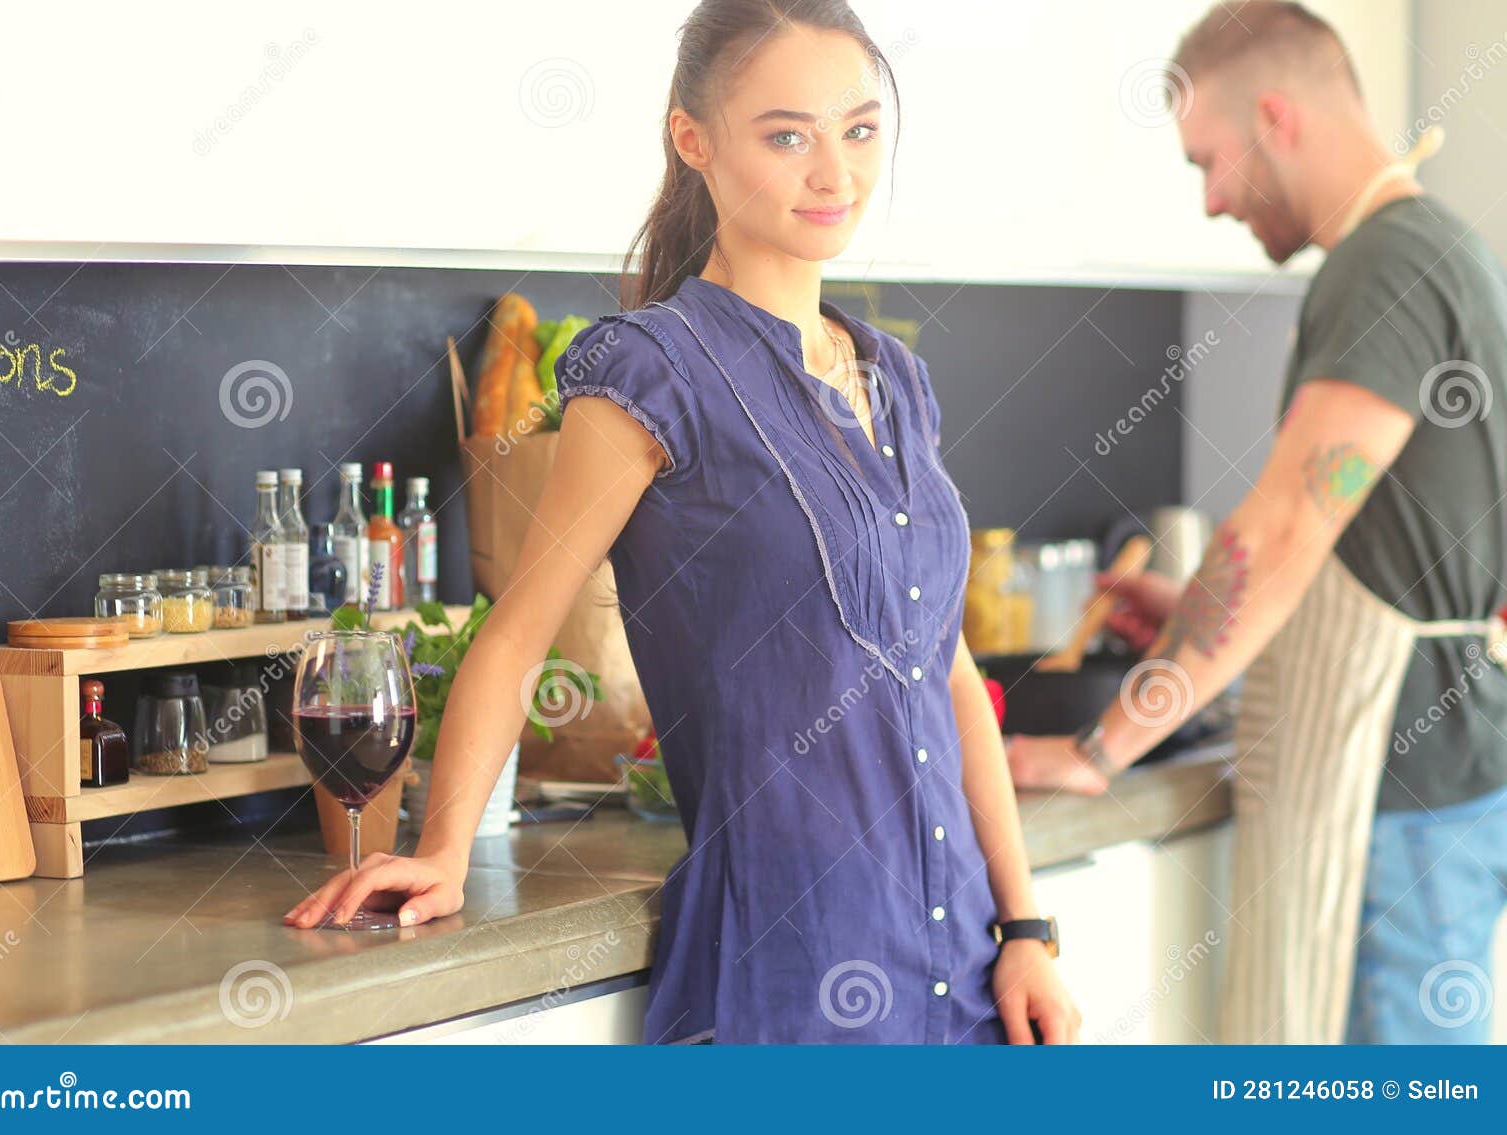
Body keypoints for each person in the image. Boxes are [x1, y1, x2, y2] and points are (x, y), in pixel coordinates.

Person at [285, 0, 1079, 1045]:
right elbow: (519, 631)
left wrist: (1025, 925)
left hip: (966, 971)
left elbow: (947, 672)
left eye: (859, 127)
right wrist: (442, 849)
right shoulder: (649, 371)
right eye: (786, 134)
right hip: (793, 970)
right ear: (692, 140)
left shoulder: (896, 379)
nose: (833, 172)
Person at [1007, 0, 1507, 1045]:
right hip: (1441, 773)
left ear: (1276, 117)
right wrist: (1191, 610)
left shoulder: (1388, 263)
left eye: (1209, 160)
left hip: (1399, 782)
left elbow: (1280, 531)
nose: (1210, 201)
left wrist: (1103, 746)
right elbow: (1383, 544)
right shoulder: (1431, 250)